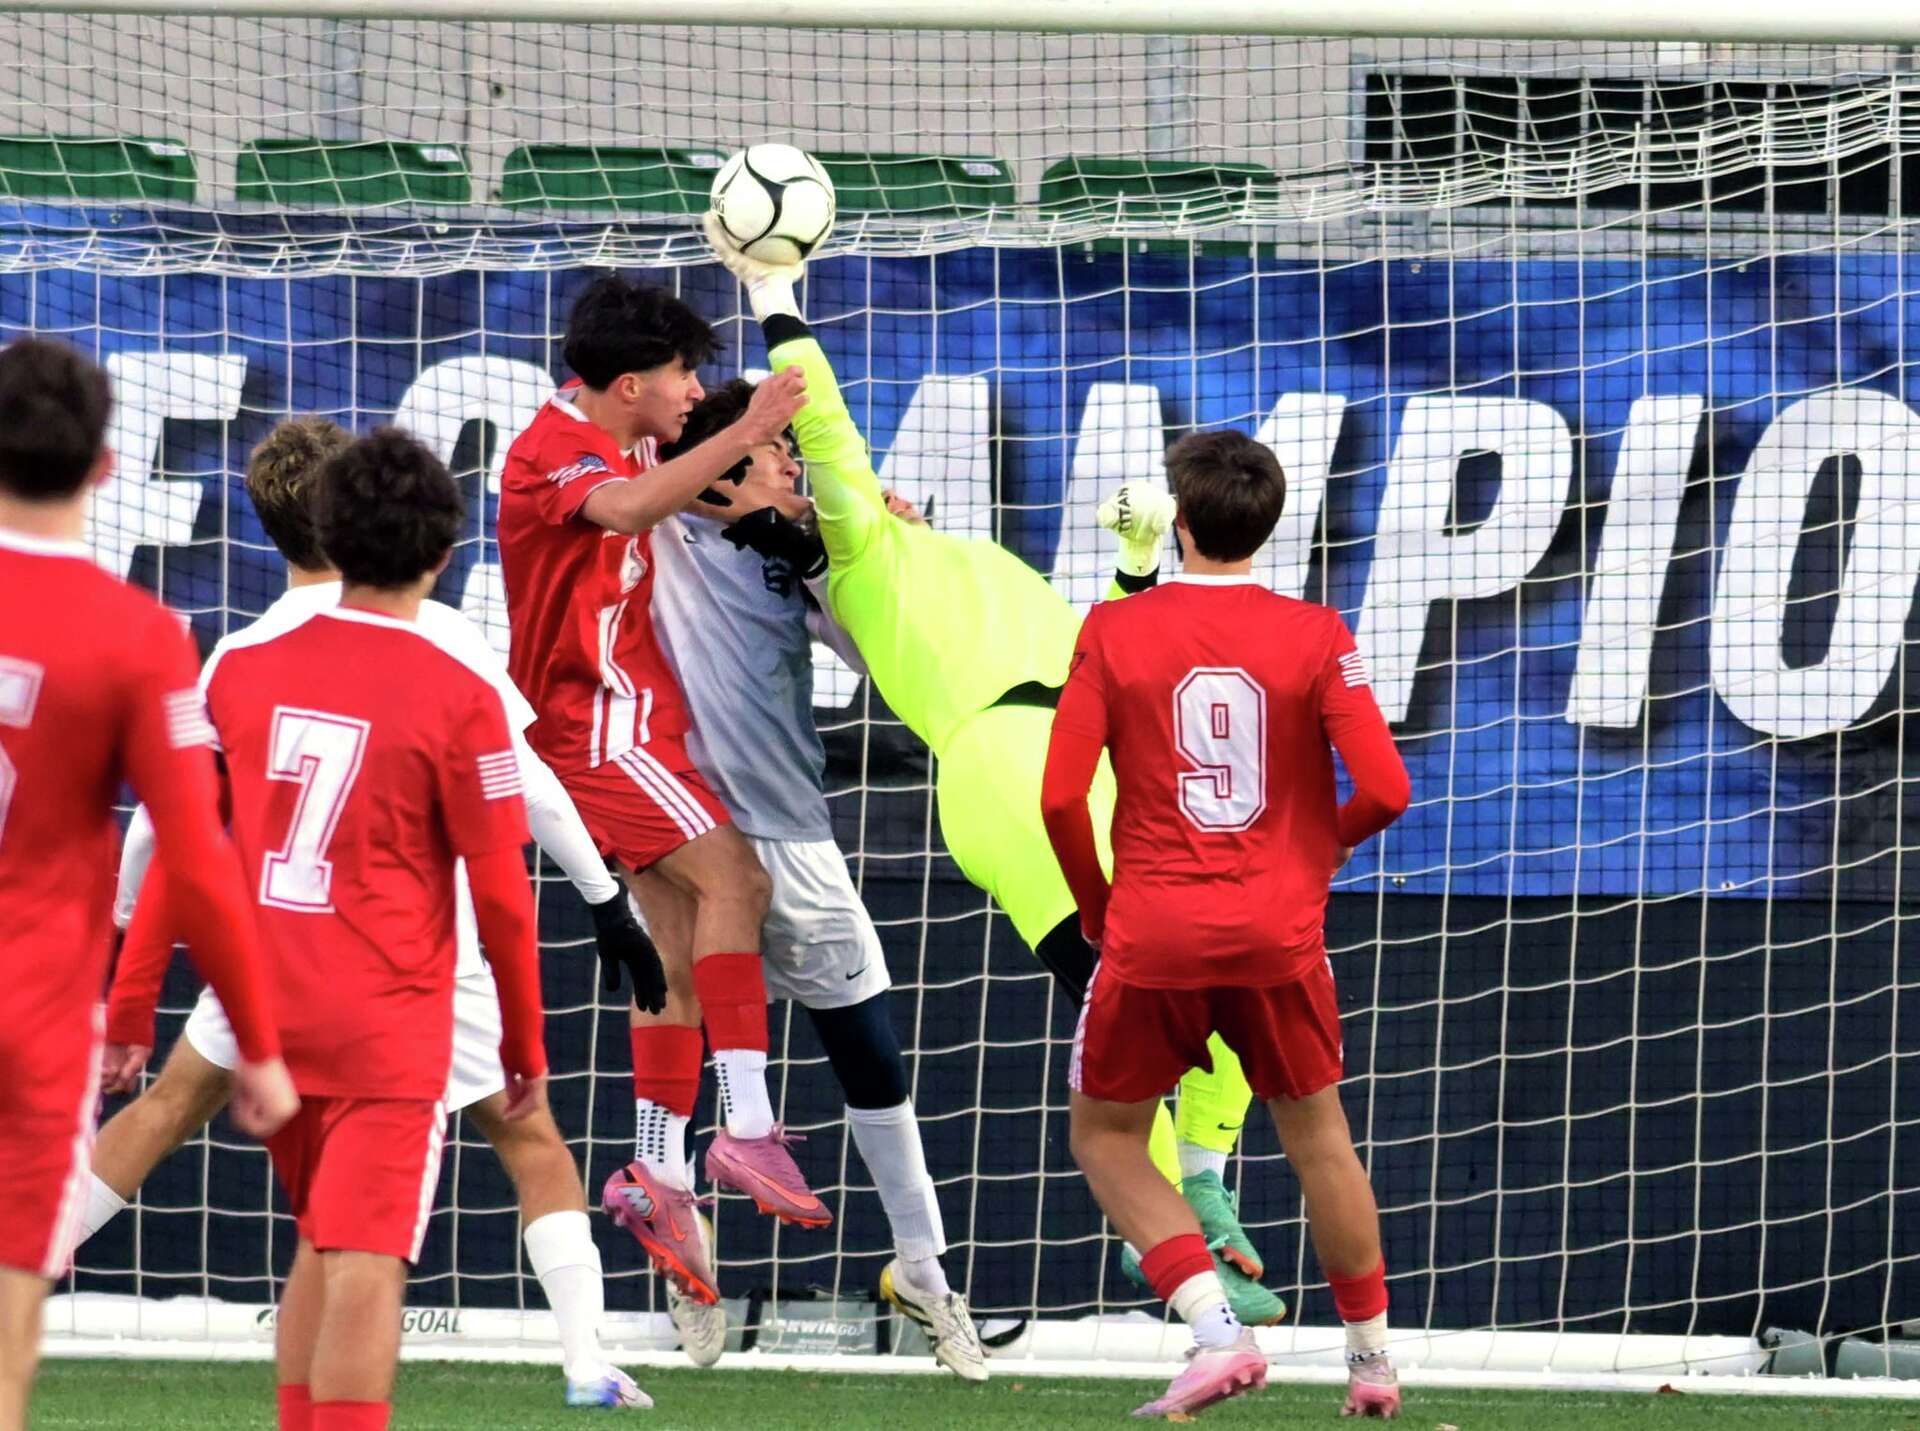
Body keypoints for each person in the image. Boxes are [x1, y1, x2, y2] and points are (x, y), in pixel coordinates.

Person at [699, 217, 1281, 1325]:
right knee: (1133, 1002)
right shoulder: (855, 547)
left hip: (1099, 748)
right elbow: (824, 418)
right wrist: (776, 292)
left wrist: (1134, 567)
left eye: (787, 456)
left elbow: (1099, 655)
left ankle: (1204, 1188)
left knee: (1233, 971)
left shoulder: (931, 548)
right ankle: (1186, 1276)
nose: (796, 463)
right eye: (773, 463)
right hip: (1008, 766)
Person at [92, 416, 660, 1411]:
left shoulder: (241, 659)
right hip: (401, 999)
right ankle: (586, 1361)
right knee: (382, 1247)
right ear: (442, 555)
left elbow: (173, 832)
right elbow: (507, 861)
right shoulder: (454, 669)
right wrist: (595, 921)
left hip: (270, 987)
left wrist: (130, 977)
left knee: (275, 1200)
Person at [173, 428, 550, 1431]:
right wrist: (523, 1040)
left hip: (271, 1015)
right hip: (385, 1021)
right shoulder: (459, 689)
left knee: (321, 1239)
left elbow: (188, 850)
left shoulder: (241, 666)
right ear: (444, 552)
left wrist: (145, 1001)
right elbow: (503, 897)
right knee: (368, 1265)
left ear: (329, 536)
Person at [1041, 430, 1412, 1419]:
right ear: (1268, 523)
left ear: (1179, 520)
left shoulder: (1114, 628)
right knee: (1320, 1140)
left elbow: (1060, 798)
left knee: (1108, 1135)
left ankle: (1217, 1332)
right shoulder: (1317, 633)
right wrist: (1319, 850)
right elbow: (1386, 788)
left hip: (1153, 930)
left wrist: (1096, 905)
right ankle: (1372, 1364)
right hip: (1277, 933)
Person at [635, 382, 986, 1378]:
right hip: (678, 827)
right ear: (726, 462)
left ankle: (923, 1271)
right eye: (777, 452)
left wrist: (895, 553)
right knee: (673, 1030)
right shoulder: (651, 520)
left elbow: (891, 659)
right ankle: (682, 1250)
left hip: (790, 838)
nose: (795, 464)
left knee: (868, 1054)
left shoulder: (813, 555)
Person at [496, 274, 823, 1305]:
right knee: (740, 883)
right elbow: (628, 506)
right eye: (681, 372)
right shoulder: (550, 453)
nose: (693, 388)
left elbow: (699, 468)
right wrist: (751, 429)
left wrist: (783, 484)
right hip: (594, 725)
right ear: (630, 384)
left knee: (675, 955)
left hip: (637, 718)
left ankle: (659, 1171)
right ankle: (748, 1125)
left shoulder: (635, 428)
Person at [0, 335, 297, 1431]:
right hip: (32, 1017)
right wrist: (257, 1040)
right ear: (106, 466)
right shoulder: (136, 633)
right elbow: (197, 854)